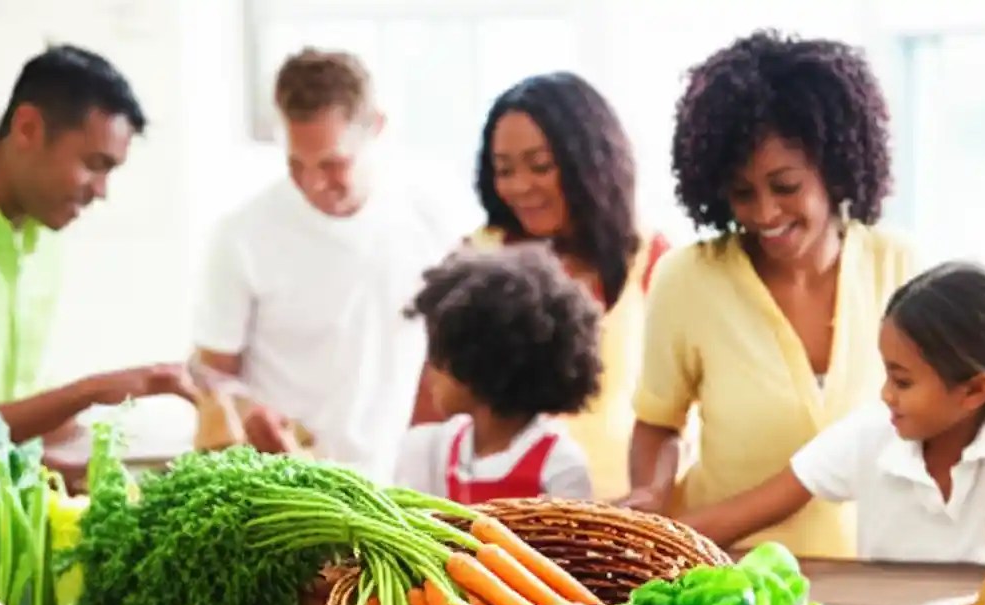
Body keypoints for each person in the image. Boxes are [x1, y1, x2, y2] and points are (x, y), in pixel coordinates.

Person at [621, 31, 914, 558]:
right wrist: (651, 491)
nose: (764, 213)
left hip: (871, 567)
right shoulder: (687, 279)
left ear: (835, 167)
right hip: (723, 565)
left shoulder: (900, 270)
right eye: (742, 193)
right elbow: (657, 424)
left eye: (785, 186)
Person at [681, 263, 985, 563]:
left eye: (902, 382)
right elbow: (741, 514)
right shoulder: (872, 433)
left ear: (974, 391)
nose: (885, 394)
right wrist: (634, 544)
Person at [193, 48, 455, 479]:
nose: (312, 184)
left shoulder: (428, 225)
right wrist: (249, 410)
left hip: (395, 484)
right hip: (283, 486)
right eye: (296, 164)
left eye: (333, 164)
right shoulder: (241, 236)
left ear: (375, 128)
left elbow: (443, 367)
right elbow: (211, 375)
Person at [0, 44, 195, 444]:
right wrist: (88, 392)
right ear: (27, 128)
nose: (101, 191)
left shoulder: (42, 237)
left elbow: (17, 420)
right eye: (94, 164)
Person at [462, 72, 670, 500]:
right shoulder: (477, 257)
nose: (520, 186)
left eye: (540, 166)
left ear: (589, 162)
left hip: (615, 517)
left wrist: (652, 495)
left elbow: (677, 412)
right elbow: (436, 408)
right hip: (499, 520)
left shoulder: (652, 259)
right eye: (504, 170)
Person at [391, 245, 602, 502]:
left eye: (438, 357)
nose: (429, 374)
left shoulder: (559, 467)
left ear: (477, 362)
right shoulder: (430, 450)